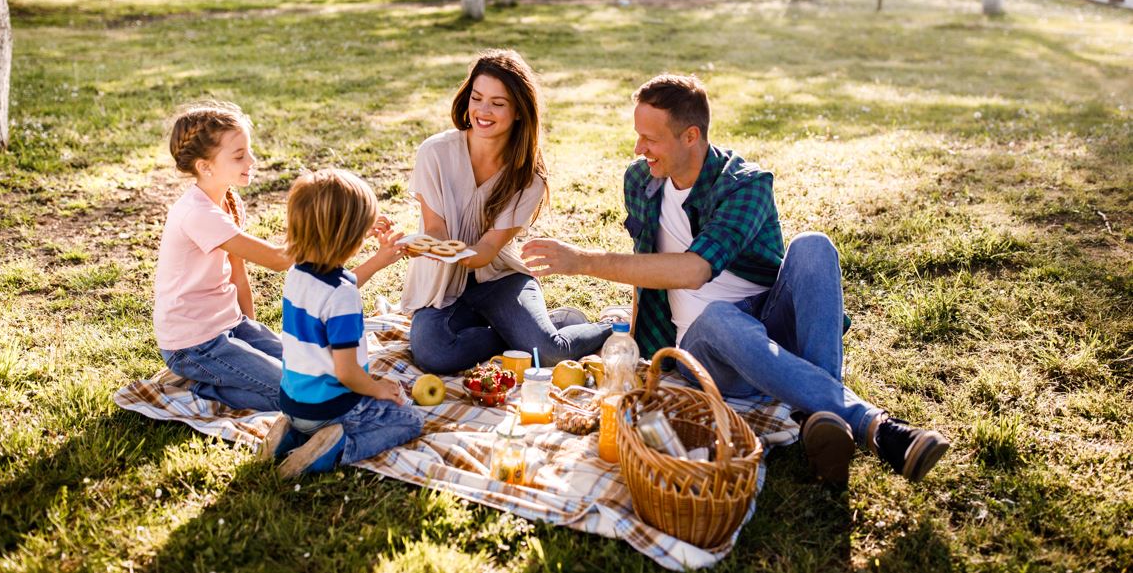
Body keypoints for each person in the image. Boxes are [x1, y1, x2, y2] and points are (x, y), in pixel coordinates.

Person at [522, 75, 950, 485]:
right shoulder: (641, 180)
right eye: (639, 136)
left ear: (691, 136)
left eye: (650, 139)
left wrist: (581, 260)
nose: (639, 148)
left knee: (814, 246)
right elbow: (646, 264)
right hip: (705, 350)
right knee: (720, 316)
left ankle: (821, 417)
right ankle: (872, 425)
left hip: (771, 330)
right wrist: (634, 345)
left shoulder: (744, 185)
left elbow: (694, 271)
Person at [401, 49, 612, 374]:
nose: (483, 111)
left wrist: (447, 252)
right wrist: (427, 246)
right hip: (443, 285)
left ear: (518, 111)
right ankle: (516, 335)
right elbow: (435, 229)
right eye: (477, 98)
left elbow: (485, 252)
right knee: (432, 353)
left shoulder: (529, 178)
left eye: (498, 103)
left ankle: (612, 325)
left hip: (499, 278)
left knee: (550, 354)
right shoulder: (435, 153)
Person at [263, 168, 423, 477]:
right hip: (332, 408)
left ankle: (291, 435)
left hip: (294, 404)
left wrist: (379, 259)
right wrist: (378, 389)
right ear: (349, 237)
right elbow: (348, 373)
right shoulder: (343, 297)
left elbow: (340, 286)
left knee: (310, 419)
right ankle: (335, 447)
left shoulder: (298, 274)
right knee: (409, 420)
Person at [153, 101, 293, 412]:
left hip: (229, 326)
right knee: (294, 396)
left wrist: (250, 335)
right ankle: (203, 388)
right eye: (239, 155)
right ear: (205, 166)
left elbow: (238, 275)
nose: (252, 160)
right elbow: (278, 260)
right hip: (193, 345)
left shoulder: (229, 202)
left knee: (308, 371)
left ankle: (227, 374)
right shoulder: (197, 213)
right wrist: (335, 226)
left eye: (249, 151)